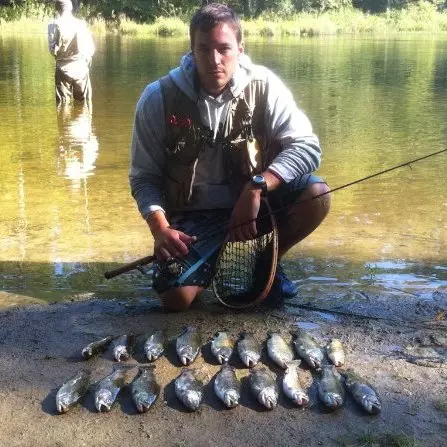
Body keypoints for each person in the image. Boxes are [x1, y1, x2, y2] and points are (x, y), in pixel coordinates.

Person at [129, 3, 331, 311]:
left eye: (224, 49)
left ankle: (268, 265)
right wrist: (160, 229)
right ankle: (203, 267)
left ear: (240, 48)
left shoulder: (265, 87)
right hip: (192, 218)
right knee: (175, 301)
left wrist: (257, 186)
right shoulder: (158, 97)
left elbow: (307, 147)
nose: (214, 60)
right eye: (204, 49)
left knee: (316, 194)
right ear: (191, 50)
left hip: (255, 207)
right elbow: (144, 177)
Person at [48, 0, 95, 105]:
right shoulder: (81, 24)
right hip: (81, 69)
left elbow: (52, 51)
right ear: (70, 8)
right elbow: (91, 49)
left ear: (58, 9)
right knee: (84, 105)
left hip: (62, 70)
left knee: (62, 106)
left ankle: (64, 120)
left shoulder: (53, 25)